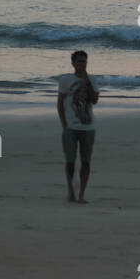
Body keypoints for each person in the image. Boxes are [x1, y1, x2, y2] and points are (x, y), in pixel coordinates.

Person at [58, 50, 98, 203]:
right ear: (73, 63)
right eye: (79, 61)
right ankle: (71, 191)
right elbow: (60, 104)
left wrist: (87, 82)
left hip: (88, 127)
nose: (82, 64)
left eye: (84, 61)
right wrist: (64, 124)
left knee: (86, 161)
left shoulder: (92, 80)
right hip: (71, 127)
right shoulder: (65, 80)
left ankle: (81, 193)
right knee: (70, 161)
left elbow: (94, 100)